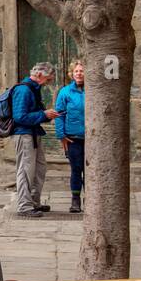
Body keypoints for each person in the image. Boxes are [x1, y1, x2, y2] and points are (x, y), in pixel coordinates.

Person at [11, 61, 59, 218]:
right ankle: (24, 206)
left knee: (39, 169)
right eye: (48, 79)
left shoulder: (33, 89)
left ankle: (33, 201)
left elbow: (30, 113)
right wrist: (44, 115)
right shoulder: (24, 90)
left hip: (33, 133)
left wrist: (45, 114)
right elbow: (19, 117)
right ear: (39, 75)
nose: (48, 83)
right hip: (24, 135)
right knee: (25, 170)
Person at [55, 60, 86, 215]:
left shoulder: (94, 90)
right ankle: (76, 200)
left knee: (92, 170)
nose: (79, 73)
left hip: (92, 138)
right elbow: (59, 114)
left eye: (82, 70)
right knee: (76, 169)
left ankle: (92, 199)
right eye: (76, 71)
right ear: (72, 74)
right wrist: (62, 136)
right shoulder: (65, 92)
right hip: (73, 138)